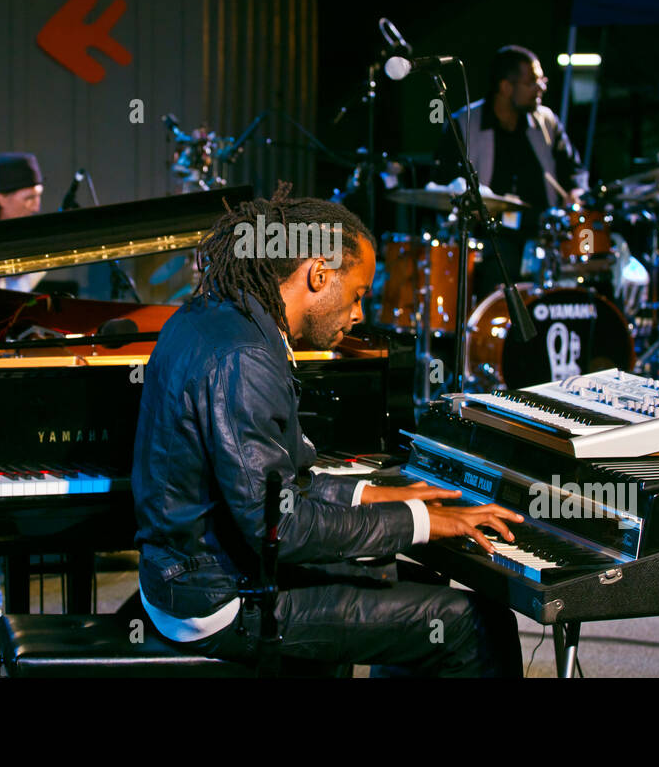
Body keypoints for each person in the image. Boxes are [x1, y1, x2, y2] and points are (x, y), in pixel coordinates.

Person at [132, 184, 525, 675]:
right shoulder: (246, 355)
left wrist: (375, 496)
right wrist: (420, 523)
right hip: (218, 601)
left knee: (410, 582)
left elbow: (278, 488)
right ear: (318, 275)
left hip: (191, 573)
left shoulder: (215, 314)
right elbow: (279, 525)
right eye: (358, 294)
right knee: (480, 625)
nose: (360, 314)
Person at [432, 45, 588, 282]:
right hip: (491, 240)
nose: (541, 87)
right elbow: (444, 182)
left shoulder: (547, 122)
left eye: (542, 80)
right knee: (497, 265)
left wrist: (577, 191)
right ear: (505, 87)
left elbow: (574, 170)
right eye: (532, 82)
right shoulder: (464, 124)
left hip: (544, 237)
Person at [0, 152, 47, 292]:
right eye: (29, 198)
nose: (36, 207)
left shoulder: (21, 231)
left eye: (38, 196)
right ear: (1, 198)